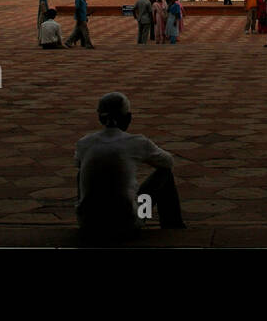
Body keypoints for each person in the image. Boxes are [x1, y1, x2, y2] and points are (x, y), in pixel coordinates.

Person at [74, 92, 185, 242]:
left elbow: (79, 164)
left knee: (82, 172)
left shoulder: (85, 143)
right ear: (128, 117)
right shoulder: (137, 142)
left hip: (87, 223)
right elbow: (168, 162)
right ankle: (173, 226)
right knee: (164, 175)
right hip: (128, 224)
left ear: (100, 118)